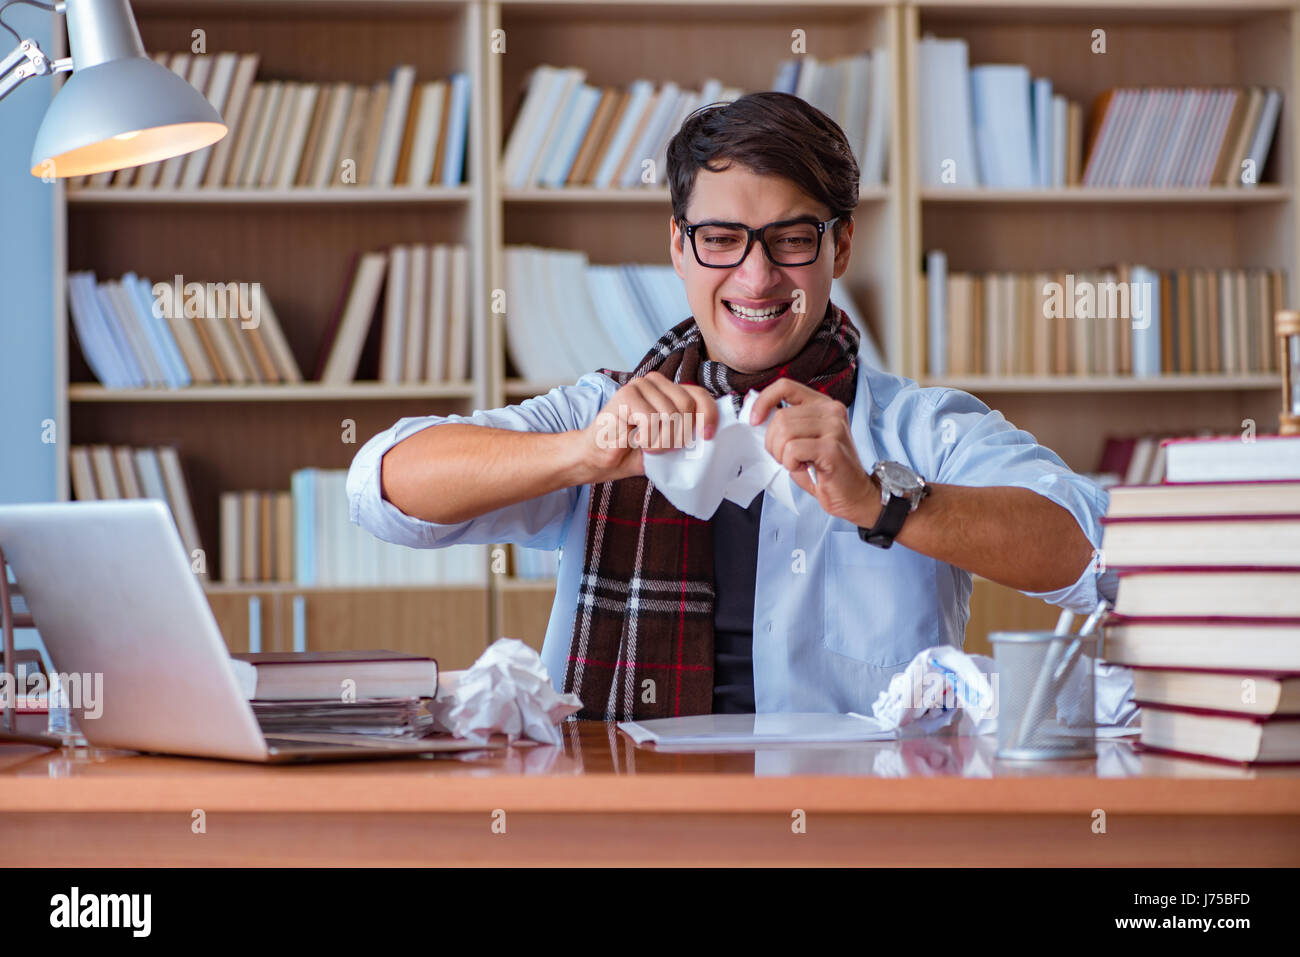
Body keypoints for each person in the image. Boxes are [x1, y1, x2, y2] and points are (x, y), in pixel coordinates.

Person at [348, 91, 1110, 722]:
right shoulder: (610, 412)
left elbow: (1094, 558)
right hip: (625, 819)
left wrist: (880, 501)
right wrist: (583, 453)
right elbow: (380, 485)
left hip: (866, 827)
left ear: (841, 247)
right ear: (679, 248)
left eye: (790, 239)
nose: (756, 276)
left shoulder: (921, 428)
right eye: (721, 238)